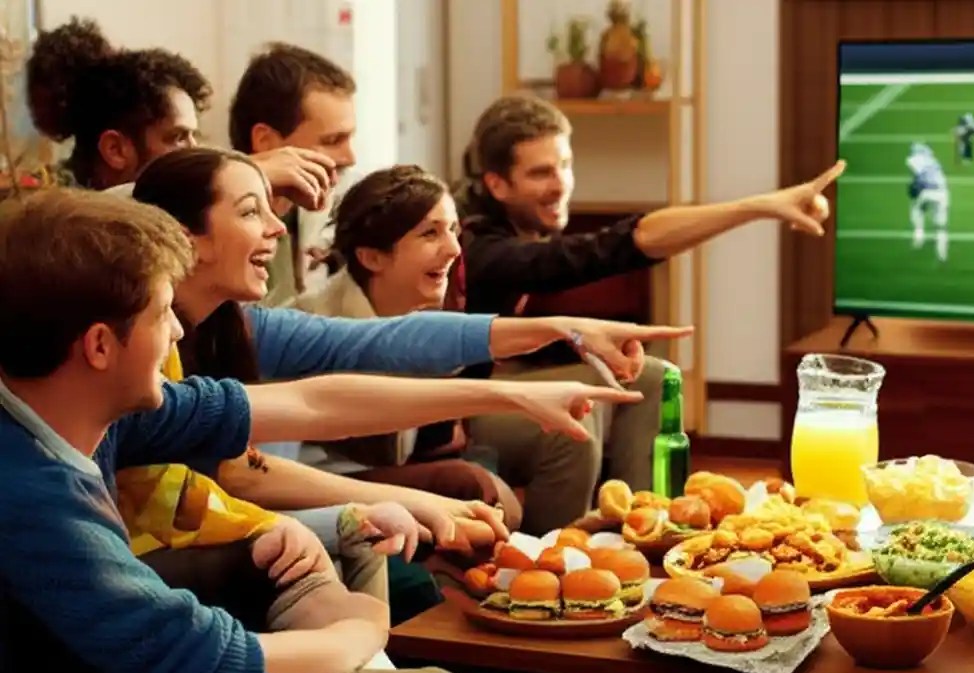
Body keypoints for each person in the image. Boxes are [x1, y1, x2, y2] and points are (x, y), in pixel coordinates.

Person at [0, 188, 614, 673]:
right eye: (163, 315)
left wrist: (519, 398)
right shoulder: (31, 499)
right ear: (100, 346)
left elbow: (315, 404)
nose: (179, 334)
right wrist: (363, 625)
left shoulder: (92, 410)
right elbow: (222, 670)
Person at [126, 147, 689, 608]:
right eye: (252, 212)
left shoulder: (237, 324)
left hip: (225, 520)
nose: (277, 228)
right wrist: (417, 493)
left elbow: (388, 342)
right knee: (395, 554)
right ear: (181, 235)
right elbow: (290, 434)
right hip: (173, 546)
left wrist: (561, 331)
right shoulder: (144, 349)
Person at [455, 94, 843, 491]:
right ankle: (560, 548)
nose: (560, 185)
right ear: (497, 184)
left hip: (489, 385)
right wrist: (762, 206)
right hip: (451, 411)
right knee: (577, 423)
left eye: (566, 166)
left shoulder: (505, 224)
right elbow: (618, 246)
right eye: (541, 173)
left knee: (655, 376)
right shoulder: (478, 247)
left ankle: (646, 527)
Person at [294, 165, 602, 535]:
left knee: (566, 433)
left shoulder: (421, 302)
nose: (455, 249)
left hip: (402, 458)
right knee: (477, 489)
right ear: (372, 258)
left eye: (453, 230)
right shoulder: (314, 325)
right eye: (430, 233)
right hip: (322, 483)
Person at [26, 18, 338, 211]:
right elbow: (102, 221)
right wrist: (228, 176)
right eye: (177, 137)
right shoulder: (50, 219)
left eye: (194, 136)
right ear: (115, 149)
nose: (194, 151)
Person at [229, 41, 357, 305]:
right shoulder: (221, 230)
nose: (350, 158)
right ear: (265, 141)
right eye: (333, 140)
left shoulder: (314, 210)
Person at [906, 141, 950, 262]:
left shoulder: (913, 160)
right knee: (941, 226)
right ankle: (942, 254)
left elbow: (917, 181)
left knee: (916, 210)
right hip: (943, 193)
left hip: (927, 192)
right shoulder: (934, 161)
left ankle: (919, 237)